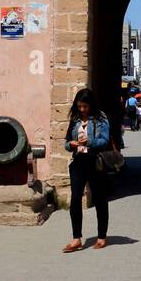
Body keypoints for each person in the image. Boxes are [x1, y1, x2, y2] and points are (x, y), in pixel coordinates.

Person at [62, 88, 111, 253]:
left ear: (91, 105)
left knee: (99, 199)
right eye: (80, 106)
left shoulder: (100, 118)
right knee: (75, 199)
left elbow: (104, 141)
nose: (82, 109)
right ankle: (76, 238)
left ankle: (101, 237)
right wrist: (72, 144)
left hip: (95, 162)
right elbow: (67, 142)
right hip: (78, 163)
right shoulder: (75, 119)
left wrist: (88, 142)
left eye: (85, 106)